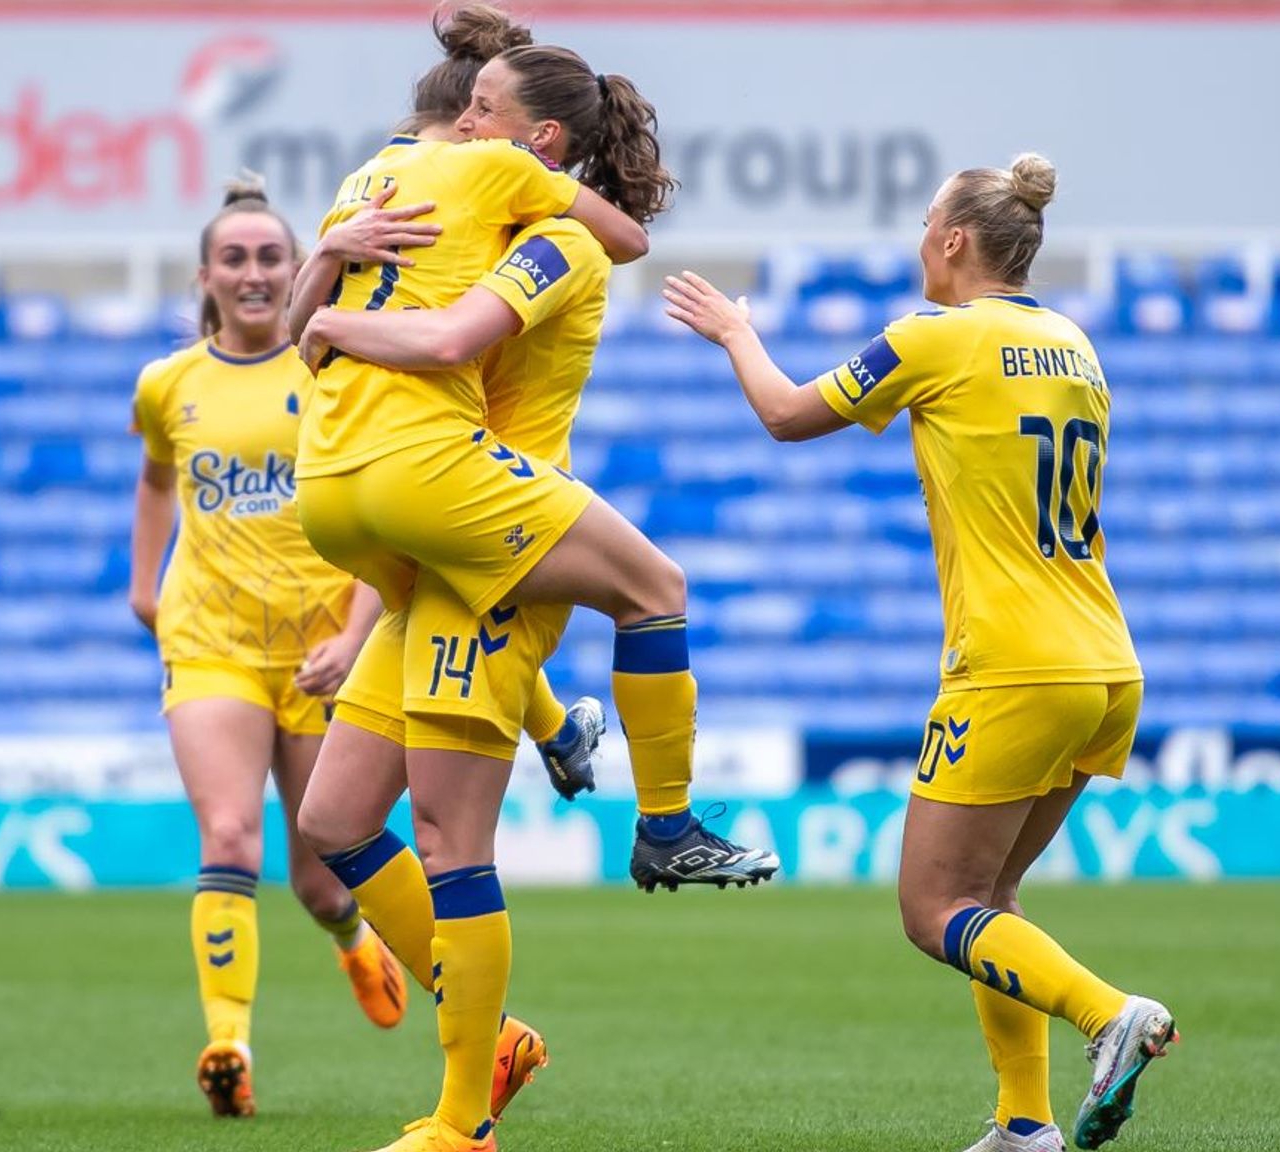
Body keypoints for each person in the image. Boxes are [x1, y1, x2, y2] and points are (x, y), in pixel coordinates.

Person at [287, 26, 777, 1152]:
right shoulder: (481, 204)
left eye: (484, 111)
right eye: (461, 110)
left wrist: (332, 315)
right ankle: (501, 1012)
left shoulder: (549, 240)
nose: (464, 127)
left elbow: (466, 327)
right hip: (450, 517)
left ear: (537, 141)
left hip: (497, 537)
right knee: (329, 819)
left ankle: (464, 1121)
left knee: (454, 837)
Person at [663, 154, 1179, 1152]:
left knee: (931, 906)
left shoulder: (936, 335)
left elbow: (784, 414)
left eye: (923, 225)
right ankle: (1023, 1124)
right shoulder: (1072, 344)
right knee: (990, 898)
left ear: (950, 240)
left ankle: (1108, 1015)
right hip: (1104, 660)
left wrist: (734, 333)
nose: (916, 243)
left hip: (1012, 664)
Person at [127, 177, 407, 1121]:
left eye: (270, 258)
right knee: (229, 836)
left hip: (322, 644)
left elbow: (385, 510)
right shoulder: (168, 385)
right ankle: (227, 1046)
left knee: (320, 873)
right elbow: (158, 480)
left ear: (299, 269)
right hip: (212, 638)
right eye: (235, 259)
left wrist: (354, 631)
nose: (254, 274)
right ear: (206, 276)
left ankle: (352, 938)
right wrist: (143, 579)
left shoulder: (333, 363)